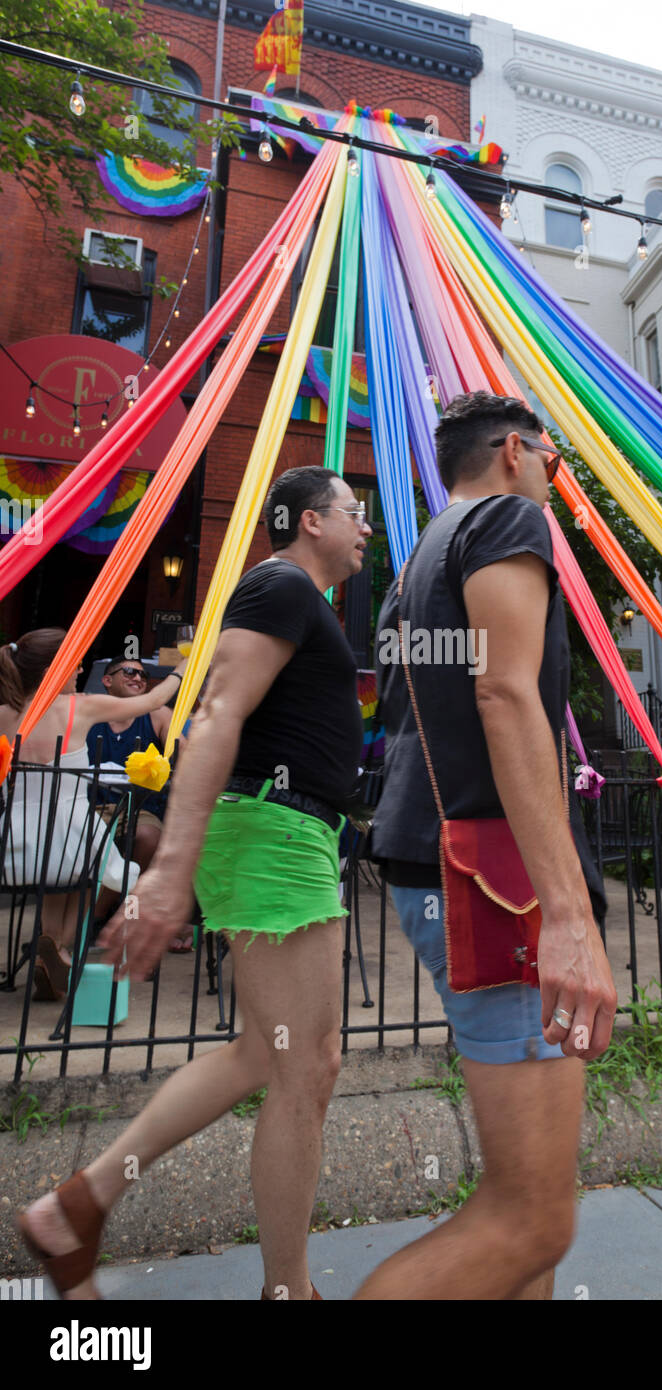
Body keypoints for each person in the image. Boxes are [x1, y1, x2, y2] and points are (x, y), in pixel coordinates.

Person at [17, 466, 371, 1300]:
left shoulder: (296, 600)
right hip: (275, 830)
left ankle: (80, 1208)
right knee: (306, 1065)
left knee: (269, 1052)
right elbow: (213, 715)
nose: (366, 528)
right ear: (312, 521)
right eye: (354, 513)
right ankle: (289, 1291)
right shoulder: (281, 584)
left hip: (291, 831)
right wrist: (170, 868)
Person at [359, 392, 617, 1301]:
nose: (554, 479)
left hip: (437, 864)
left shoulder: (415, 558)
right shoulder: (510, 519)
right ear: (514, 451)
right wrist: (571, 916)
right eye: (551, 459)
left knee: (526, 1238)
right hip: (495, 883)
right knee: (532, 1219)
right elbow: (505, 697)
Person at [0, 630, 187, 1000]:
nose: (81, 668)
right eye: (75, 662)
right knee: (96, 861)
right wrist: (183, 669)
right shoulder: (78, 707)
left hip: (12, 847)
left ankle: (51, 946)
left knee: (78, 857)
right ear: (55, 669)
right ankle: (59, 944)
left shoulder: (4, 714)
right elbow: (153, 699)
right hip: (69, 844)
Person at [87, 654, 190, 951]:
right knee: (78, 839)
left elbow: (184, 748)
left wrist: (180, 755)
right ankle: (74, 924)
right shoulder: (91, 711)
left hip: (140, 807)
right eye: (130, 672)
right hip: (92, 806)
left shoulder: (156, 713)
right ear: (107, 680)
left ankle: (101, 913)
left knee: (147, 837)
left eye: (144, 677)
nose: (138, 679)